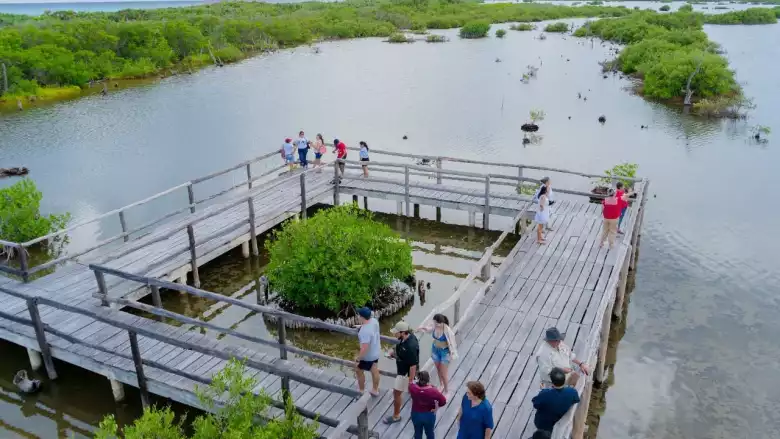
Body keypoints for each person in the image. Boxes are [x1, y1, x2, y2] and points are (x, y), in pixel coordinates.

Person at [384, 321, 420, 424]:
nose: (394, 334)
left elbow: (413, 365)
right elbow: (403, 352)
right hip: (403, 369)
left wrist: (410, 381)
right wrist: (394, 353)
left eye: (396, 332)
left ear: (403, 332)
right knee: (413, 392)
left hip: (405, 374)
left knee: (396, 393)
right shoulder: (407, 337)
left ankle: (396, 416)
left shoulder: (410, 346)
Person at [417, 314, 458, 395]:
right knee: (438, 369)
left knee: (444, 373)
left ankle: (447, 391)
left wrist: (452, 353)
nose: (436, 325)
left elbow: (453, 343)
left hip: (444, 352)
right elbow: (429, 329)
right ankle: (441, 385)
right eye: (435, 323)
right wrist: (421, 328)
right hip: (435, 350)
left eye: (437, 323)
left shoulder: (447, 330)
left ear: (442, 323)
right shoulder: (434, 326)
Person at [532, 367, 580, 433]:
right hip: (561, 419)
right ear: (564, 378)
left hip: (544, 425)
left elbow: (535, 404)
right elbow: (576, 400)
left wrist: (543, 390)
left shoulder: (545, 394)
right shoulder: (573, 392)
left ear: (552, 382)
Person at [409, 370, 447, 439]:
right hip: (429, 414)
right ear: (428, 380)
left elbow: (412, 383)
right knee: (430, 433)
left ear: (418, 379)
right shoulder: (433, 391)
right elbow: (443, 401)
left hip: (416, 414)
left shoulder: (413, 388)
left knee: (417, 432)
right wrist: (436, 407)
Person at [354, 307, 381, 396]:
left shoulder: (364, 332)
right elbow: (370, 328)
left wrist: (358, 358)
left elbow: (364, 348)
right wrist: (361, 326)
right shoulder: (374, 321)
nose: (358, 316)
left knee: (358, 370)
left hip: (368, 356)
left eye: (359, 315)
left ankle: (361, 390)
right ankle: (375, 390)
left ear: (362, 317)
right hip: (376, 351)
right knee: (374, 370)